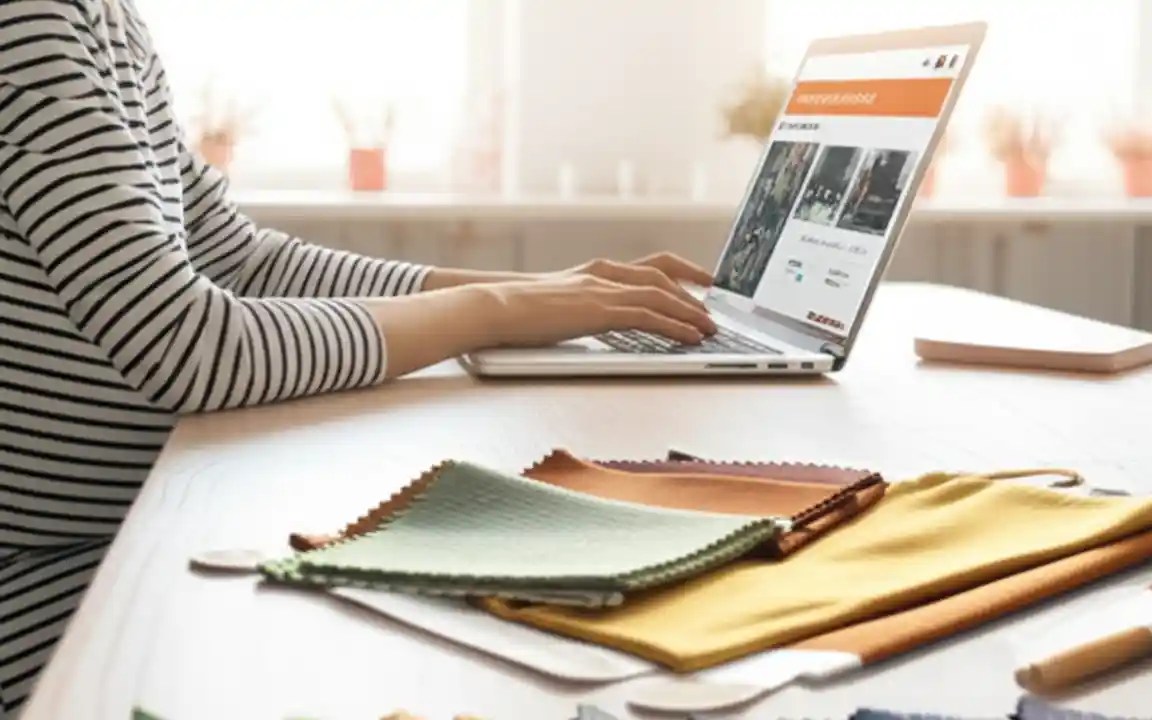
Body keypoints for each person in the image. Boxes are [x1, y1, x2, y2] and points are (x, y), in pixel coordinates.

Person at [0, 0, 718, 713]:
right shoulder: (28, 22)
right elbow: (183, 346)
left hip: (117, 536)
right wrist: (492, 312)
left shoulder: (101, 18)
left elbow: (239, 261)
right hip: (42, 586)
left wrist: (549, 291)